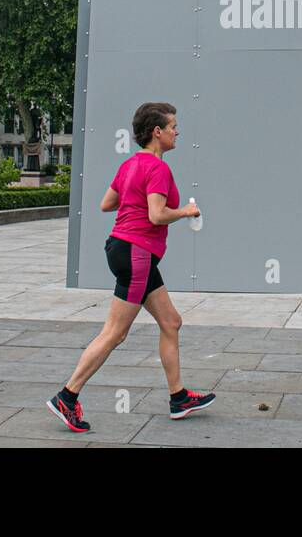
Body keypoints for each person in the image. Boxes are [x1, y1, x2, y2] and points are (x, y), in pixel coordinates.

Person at [47, 102, 212, 432]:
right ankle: (67, 396)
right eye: (173, 126)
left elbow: (107, 204)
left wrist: (135, 196)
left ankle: (179, 398)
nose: (177, 132)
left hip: (125, 249)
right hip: (136, 253)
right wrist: (187, 212)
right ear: (157, 132)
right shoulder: (158, 168)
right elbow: (156, 215)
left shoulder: (130, 165)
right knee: (115, 333)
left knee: (171, 321)